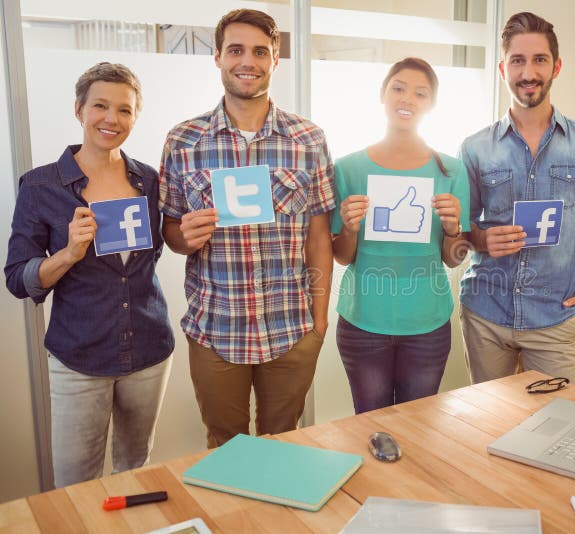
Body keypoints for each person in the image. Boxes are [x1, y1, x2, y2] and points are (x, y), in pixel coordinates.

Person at [159, 9, 334, 447]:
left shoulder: (308, 139)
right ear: (217, 57)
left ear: (275, 61)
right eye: (236, 50)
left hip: (291, 330)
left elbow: (318, 237)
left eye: (260, 52)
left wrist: (319, 321)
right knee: (224, 445)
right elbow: (171, 232)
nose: (247, 61)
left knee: (283, 443)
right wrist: (186, 235)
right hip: (215, 329)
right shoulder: (184, 140)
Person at [4, 62, 174, 487]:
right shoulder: (40, 186)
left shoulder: (150, 181)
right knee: (75, 482)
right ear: (79, 110)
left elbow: (154, 254)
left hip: (149, 351)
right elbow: (17, 278)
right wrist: (68, 254)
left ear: (135, 117)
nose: (111, 119)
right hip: (78, 356)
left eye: (125, 110)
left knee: (137, 469)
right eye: (100, 105)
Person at [458, 12, 575, 387]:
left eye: (539, 59)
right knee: (487, 434)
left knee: (562, 433)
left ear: (557, 66)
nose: (528, 73)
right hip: (486, 314)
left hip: (556, 320)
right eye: (518, 61)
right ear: (503, 68)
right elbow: (458, 231)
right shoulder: (474, 148)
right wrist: (481, 239)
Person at [331, 57, 471, 414]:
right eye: (398, 88)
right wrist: (349, 227)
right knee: (371, 426)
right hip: (364, 321)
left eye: (420, 93)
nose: (407, 99)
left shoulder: (450, 169)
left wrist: (454, 230)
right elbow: (343, 256)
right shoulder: (348, 168)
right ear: (382, 94)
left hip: (427, 323)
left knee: (419, 428)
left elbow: (454, 257)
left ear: (431, 105)